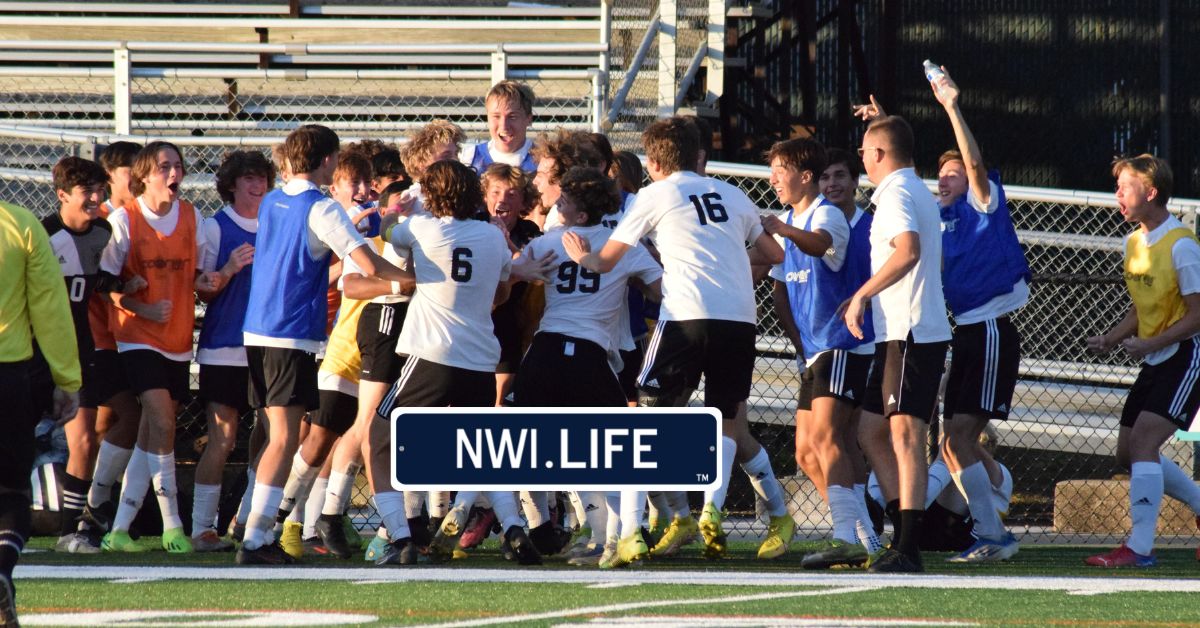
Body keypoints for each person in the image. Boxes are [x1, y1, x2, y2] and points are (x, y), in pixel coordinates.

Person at [563, 116, 785, 564]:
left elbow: (607, 262)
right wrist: (721, 255)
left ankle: (630, 534)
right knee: (725, 419)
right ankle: (710, 512)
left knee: (645, 423)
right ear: (697, 155)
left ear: (653, 162)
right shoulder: (732, 193)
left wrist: (582, 257)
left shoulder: (655, 194)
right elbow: (775, 253)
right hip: (739, 320)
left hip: (686, 316)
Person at [237, 124, 410, 565]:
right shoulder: (322, 207)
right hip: (290, 329)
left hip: (257, 328)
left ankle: (255, 530)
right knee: (283, 439)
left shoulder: (273, 199)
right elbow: (367, 263)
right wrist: (413, 281)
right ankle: (255, 539)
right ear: (328, 159)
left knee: (277, 436)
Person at [369, 160, 538, 566]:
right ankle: (513, 526)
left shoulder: (422, 227)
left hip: (432, 354)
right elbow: (500, 295)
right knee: (477, 451)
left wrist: (399, 208)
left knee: (378, 439)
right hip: (480, 360)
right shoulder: (493, 236)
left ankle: (402, 537)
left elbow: (385, 228)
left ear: (433, 194)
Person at [922, 69, 1029, 562]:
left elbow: (975, 163)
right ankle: (991, 521)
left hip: (990, 330)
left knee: (962, 437)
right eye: (941, 174)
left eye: (954, 173)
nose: (945, 178)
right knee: (951, 444)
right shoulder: (941, 220)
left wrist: (951, 106)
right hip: (966, 333)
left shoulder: (983, 204)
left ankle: (994, 534)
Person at [99, 141, 222, 555]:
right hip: (136, 336)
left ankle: (119, 529)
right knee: (164, 422)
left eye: (178, 165)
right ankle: (173, 527)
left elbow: (199, 276)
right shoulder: (125, 219)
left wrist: (207, 282)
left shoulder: (192, 216)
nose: (174, 173)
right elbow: (105, 284)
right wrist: (139, 304)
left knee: (151, 432)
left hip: (177, 337)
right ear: (145, 175)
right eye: (164, 166)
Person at [761, 139, 879, 566]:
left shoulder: (824, 214)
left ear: (804, 176)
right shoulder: (791, 220)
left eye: (780, 171)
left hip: (842, 343)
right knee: (807, 453)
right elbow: (778, 282)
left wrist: (784, 230)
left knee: (829, 439)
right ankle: (869, 540)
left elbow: (822, 245)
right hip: (815, 350)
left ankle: (845, 537)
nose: (773, 180)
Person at [843, 115, 952, 573]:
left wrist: (862, 295)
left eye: (864, 152)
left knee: (906, 435)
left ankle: (908, 547)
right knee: (870, 430)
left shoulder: (897, 193)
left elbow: (908, 250)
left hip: (911, 333)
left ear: (879, 154)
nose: (862, 160)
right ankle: (903, 528)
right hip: (898, 333)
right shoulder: (911, 188)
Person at [1085, 155, 1200, 568]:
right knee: (1127, 453)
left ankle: (1140, 547)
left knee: (1145, 443)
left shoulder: (1182, 245)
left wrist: (1152, 344)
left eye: (1125, 187)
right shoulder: (1133, 243)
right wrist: (1112, 338)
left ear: (1151, 193)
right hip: (1158, 357)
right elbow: (1141, 307)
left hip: (1187, 356)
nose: (1117, 194)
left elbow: (1197, 315)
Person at [0, 199, 81, 627]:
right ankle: (0, 569)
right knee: (11, 491)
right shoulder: (21, 223)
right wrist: (67, 377)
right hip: (9, 376)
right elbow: (50, 304)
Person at [191, 150, 275, 552]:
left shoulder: (276, 223)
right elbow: (202, 289)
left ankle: (247, 519)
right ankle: (202, 529)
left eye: (262, 179)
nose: (257, 187)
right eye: (249, 179)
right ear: (232, 185)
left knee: (275, 435)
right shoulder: (215, 227)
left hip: (268, 347)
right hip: (224, 347)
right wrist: (228, 269)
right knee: (222, 439)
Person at [40, 157, 118, 554]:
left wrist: (122, 284)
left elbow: (91, 279)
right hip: (35, 351)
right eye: (86, 191)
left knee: (84, 440)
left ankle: (70, 532)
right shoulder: (42, 235)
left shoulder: (103, 231)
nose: (96, 198)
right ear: (62, 195)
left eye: (100, 190)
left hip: (79, 349)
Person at [80, 141, 143, 545]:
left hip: (123, 338)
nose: (137, 179)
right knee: (125, 417)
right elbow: (102, 284)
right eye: (128, 171)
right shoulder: (101, 223)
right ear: (110, 177)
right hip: (96, 337)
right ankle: (93, 507)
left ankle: (90, 510)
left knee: (106, 422)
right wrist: (126, 293)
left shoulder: (135, 218)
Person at [482, 163, 543, 406]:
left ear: (523, 201)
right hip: (474, 320)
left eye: (511, 194)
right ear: (485, 196)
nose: (502, 199)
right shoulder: (474, 225)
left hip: (508, 323)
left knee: (501, 399)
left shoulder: (529, 231)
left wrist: (507, 242)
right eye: (495, 192)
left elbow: (534, 272)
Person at [533, 130, 604, 231]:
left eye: (540, 176)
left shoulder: (561, 217)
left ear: (562, 180)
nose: (534, 181)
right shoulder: (608, 207)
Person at [459, 80, 537, 173]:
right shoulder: (469, 159)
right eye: (496, 116)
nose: (504, 126)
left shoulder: (543, 161)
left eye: (512, 117)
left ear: (529, 119)